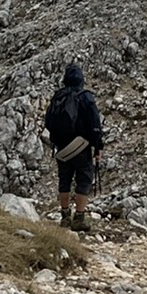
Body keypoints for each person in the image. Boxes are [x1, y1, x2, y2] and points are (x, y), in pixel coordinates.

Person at [44, 63, 104, 231]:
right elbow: (95, 126)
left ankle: (64, 216)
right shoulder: (86, 97)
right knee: (83, 180)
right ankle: (79, 218)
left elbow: (48, 122)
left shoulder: (58, 97)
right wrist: (98, 148)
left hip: (61, 147)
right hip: (81, 146)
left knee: (64, 180)